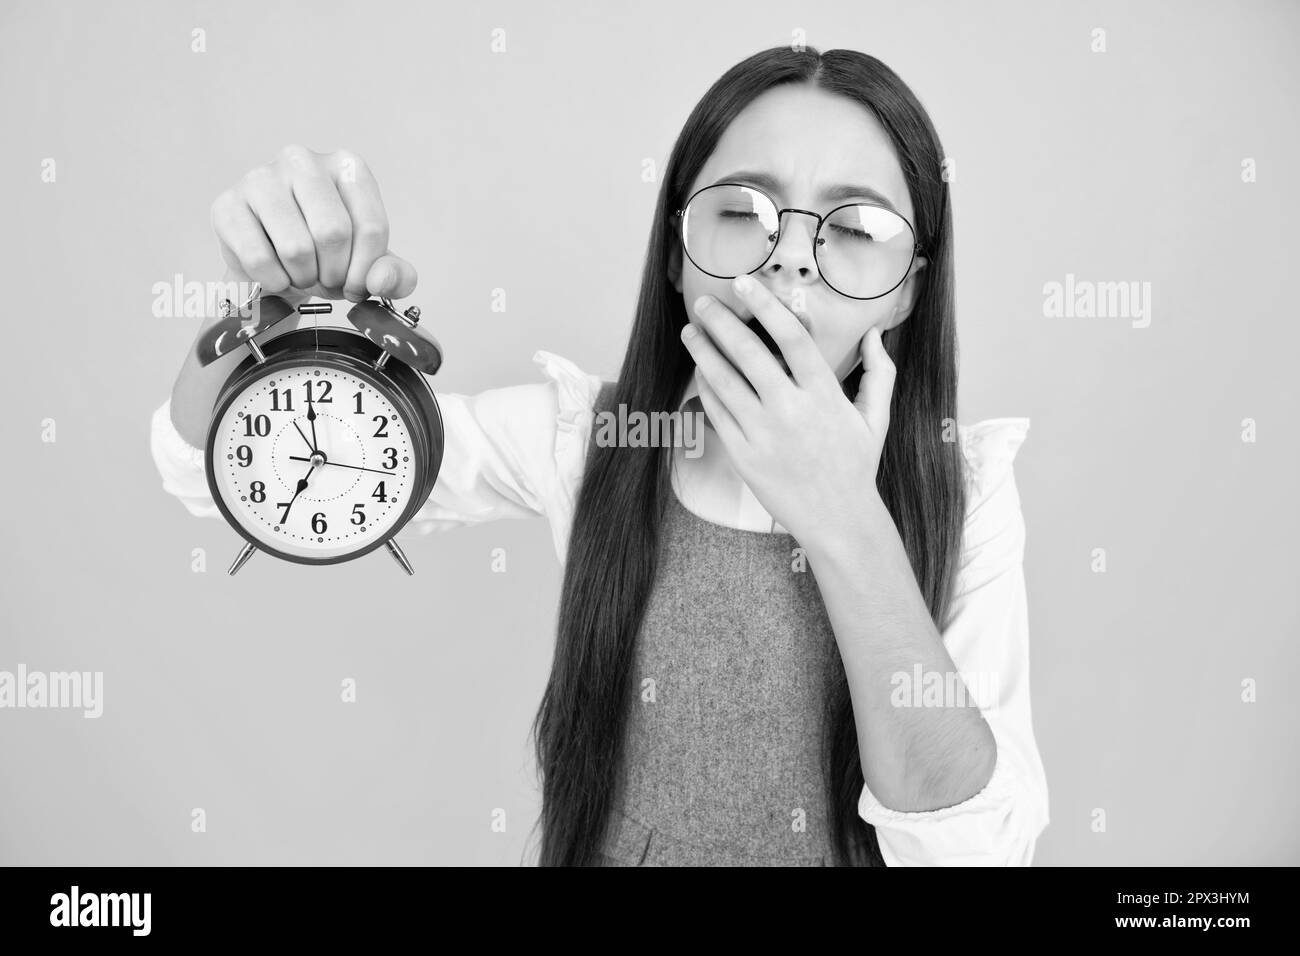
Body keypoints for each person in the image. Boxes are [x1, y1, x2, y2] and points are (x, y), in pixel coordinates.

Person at [150, 45, 1049, 866]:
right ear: (676, 255)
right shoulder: (595, 438)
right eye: (741, 211)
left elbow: (977, 851)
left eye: (855, 229)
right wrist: (276, 315)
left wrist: (847, 521)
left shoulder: (965, 493)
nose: (791, 265)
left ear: (908, 295)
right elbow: (210, 472)